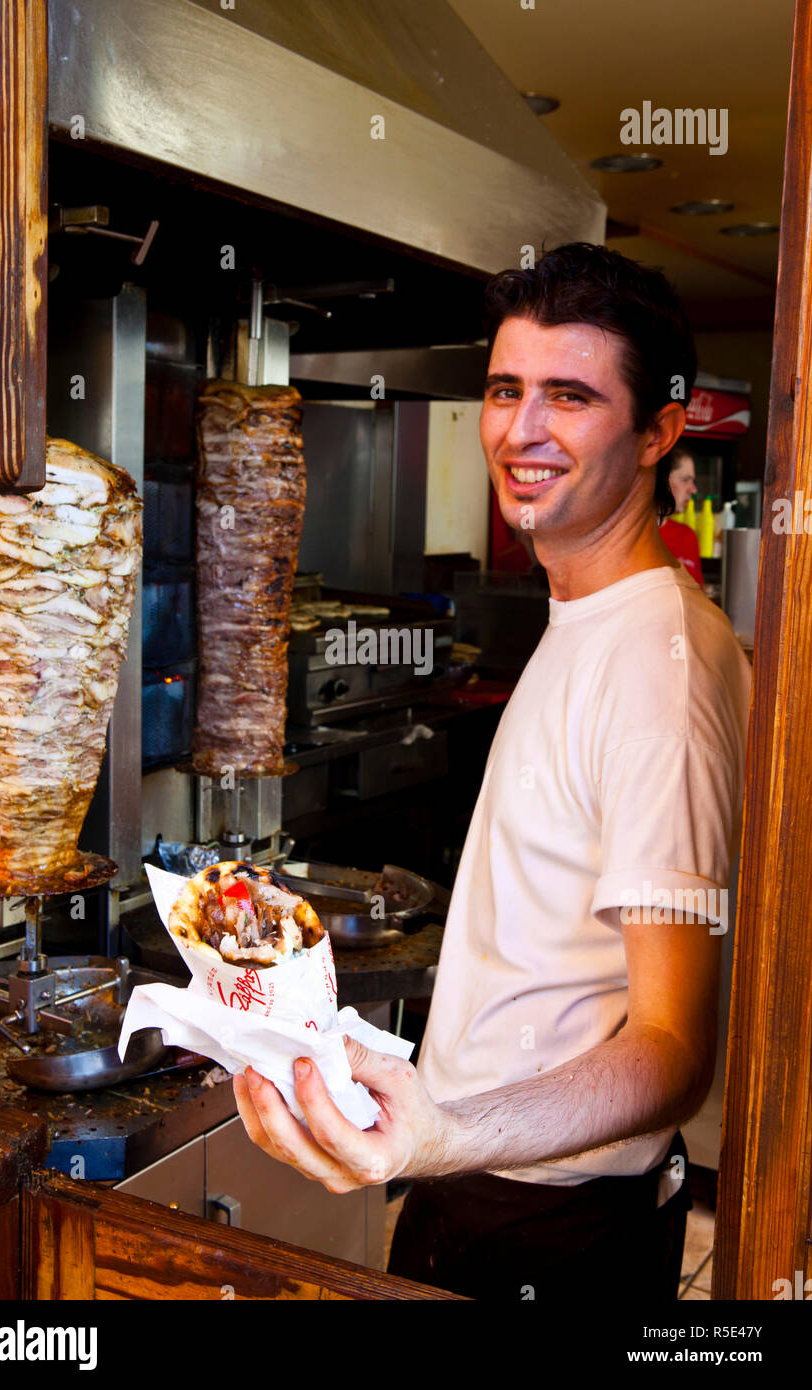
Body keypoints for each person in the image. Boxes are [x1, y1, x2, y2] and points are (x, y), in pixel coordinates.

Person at [231, 243, 752, 1303]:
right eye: (506, 389)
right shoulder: (587, 617)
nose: (522, 430)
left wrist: (443, 1134)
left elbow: (670, 1050)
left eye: (571, 395)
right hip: (484, 1184)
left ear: (659, 429)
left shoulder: (661, 665)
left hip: (547, 1226)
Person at [659, 445, 704, 586]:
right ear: (662, 479)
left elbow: (698, 596)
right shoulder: (632, 536)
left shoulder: (687, 536)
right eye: (685, 480)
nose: (693, 489)